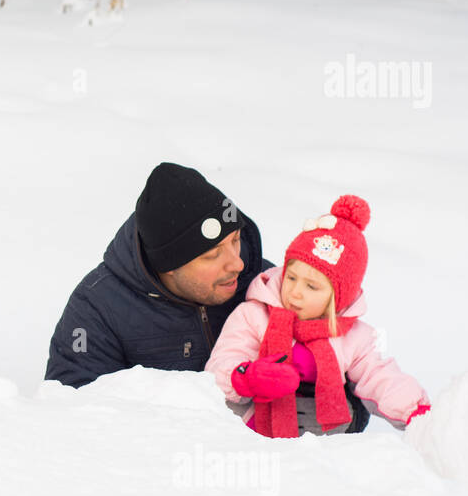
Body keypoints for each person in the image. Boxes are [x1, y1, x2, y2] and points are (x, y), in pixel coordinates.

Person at [204, 195, 429, 437]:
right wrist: (246, 378)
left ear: (338, 298)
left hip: (319, 451)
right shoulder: (254, 315)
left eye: (311, 287)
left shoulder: (353, 337)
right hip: (248, 436)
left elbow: (381, 377)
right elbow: (220, 368)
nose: (295, 293)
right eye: (291, 278)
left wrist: (417, 413)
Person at [45, 163, 270, 388]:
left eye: (235, 240)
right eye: (212, 254)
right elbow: (73, 408)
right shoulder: (96, 311)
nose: (237, 263)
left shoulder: (266, 285)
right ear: (168, 264)